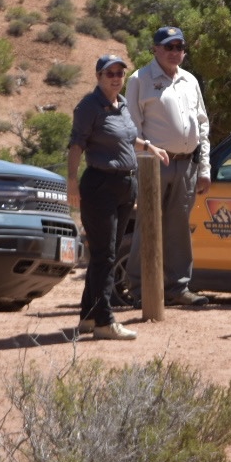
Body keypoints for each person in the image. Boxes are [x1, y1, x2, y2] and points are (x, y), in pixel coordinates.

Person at [66, 53, 169, 341]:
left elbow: (125, 137)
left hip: (125, 185)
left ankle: (88, 316)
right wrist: (71, 182)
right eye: (109, 73)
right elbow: (76, 144)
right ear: (98, 77)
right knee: (104, 255)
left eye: (119, 73)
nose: (115, 78)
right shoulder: (89, 106)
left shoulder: (121, 104)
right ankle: (104, 321)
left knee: (105, 254)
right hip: (100, 185)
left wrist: (149, 146)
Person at [124, 25, 211, 308]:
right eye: (169, 46)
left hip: (186, 165)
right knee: (147, 226)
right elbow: (132, 129)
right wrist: (139, 165)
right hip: (152, 165)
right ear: (155, 49)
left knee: (178, 228)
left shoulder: (190, 80)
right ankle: (139, 289)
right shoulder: (139, 79)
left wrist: (204, 168)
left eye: (180, 47)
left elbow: (202, 126)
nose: (175, 52)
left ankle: (178, 287)